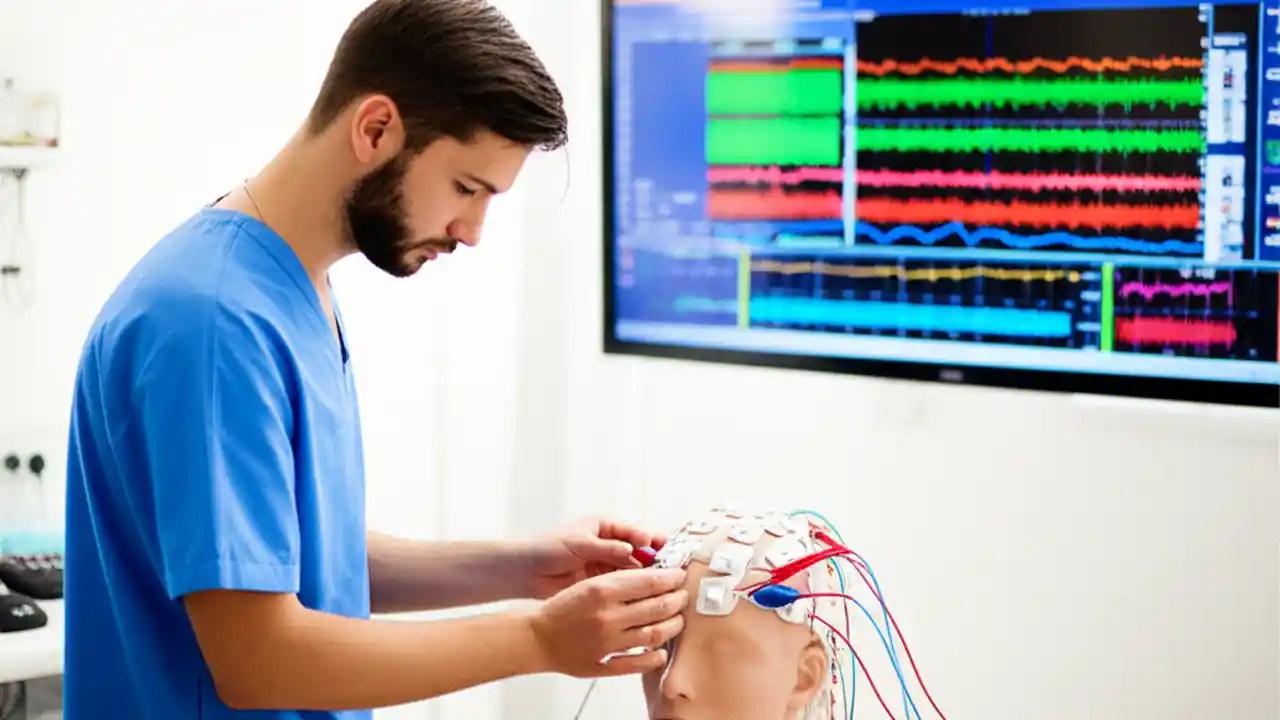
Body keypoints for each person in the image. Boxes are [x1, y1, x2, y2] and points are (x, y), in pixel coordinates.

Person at [60, 1, 687, 718]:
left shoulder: (290, 289)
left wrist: (523, 568)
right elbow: (259, 659)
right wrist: (541, 640)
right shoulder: (213, 321)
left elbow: (297, 564)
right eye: (465, 188)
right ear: (376, 128)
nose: (472, 231)